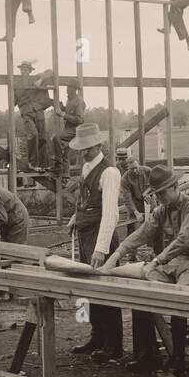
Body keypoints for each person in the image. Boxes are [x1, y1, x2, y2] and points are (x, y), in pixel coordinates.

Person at [101, 163, 189, 375]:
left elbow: (184, 239)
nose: (161, 198)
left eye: (164, 193)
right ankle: (147, 357)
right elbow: (141, 234)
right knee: (140, 292)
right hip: (175, 262)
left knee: (177, 299)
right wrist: (115, 256)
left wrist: (157, 260)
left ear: (175, 187)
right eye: (157, 194)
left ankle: (179, 360)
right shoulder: (161, 211)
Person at [65, 123, 124, 361]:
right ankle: (97, 337)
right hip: (86, 233)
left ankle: (113, 345)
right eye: (82, 148)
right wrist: (75, 217)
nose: (84, 152)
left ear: (99, 145)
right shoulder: (86, 168)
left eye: (89, 148)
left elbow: (111, 213)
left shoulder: (109, 172)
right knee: (89, 289)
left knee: (106, 289)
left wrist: (101, 249)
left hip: (102, 236)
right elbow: (87, 201)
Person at [13, 60, 54, 170]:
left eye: (26, 69)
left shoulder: (35, 78)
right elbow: (12, 102)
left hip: (38, 110)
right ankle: (32, 163)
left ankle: (43, 165)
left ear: (30, 71)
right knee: (33, 134)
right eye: (22, 69)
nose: (24, 71)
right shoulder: (16, 83)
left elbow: (50, 72)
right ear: (20, 70)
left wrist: (40, 80)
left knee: (42, 137)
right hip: (26, 112)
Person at [115, 147, 157, 221]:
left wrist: (148, 192)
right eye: (131, 169)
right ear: (128, 167)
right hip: (135, 204)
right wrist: (136, 213)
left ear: (139, 164)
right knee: (132, 225)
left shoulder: (148, 171)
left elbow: (157, 184)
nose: (134, 170)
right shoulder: (125, 179)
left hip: (150, 200)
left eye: (136, 167)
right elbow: (127, 198)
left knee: (154, 222)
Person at [53, 81, 85, 173]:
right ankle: (66, 176)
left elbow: (80, 120)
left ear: (74, 89)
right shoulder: (69, 100)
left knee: (56, 138)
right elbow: (69, 111)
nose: (67, 89)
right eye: (67, 87)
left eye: (69, 88)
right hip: (68, 128)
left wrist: (63, 114)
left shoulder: (79, 101)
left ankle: (58, 165)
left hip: (75, 130)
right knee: (65, 151)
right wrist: (62, 107)